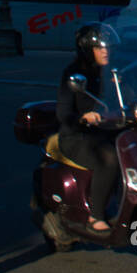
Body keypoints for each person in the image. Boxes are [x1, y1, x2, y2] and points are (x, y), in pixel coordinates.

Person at [55, 23, 121, 233]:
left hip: (105, 133)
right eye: (100, 48)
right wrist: (83, 118)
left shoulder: (111, 72)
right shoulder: (73, 74)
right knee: (109, 159)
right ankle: (96, 216)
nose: (105, 51)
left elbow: (128, 93)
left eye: (108, 47)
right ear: (87, 50)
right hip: (77, 137)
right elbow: (63, 113)